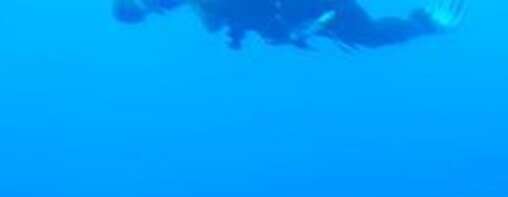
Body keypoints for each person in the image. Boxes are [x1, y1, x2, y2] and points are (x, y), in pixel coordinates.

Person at [112, 0, 464, 50]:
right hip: (307, 17)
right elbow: (218, 24)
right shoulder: (203, 8)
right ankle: (427, 24)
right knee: (368, 37)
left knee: (367, 35)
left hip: (310, 8)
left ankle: (427, 25)